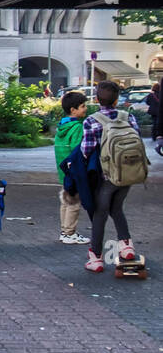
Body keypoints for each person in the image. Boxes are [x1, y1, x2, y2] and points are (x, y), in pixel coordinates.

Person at [80, 80, 148, 272]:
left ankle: (96, 258)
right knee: (117, 208)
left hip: (106, 177)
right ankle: (126, 246)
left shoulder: (92, 120)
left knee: (100, 213)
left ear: (97, 99)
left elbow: (86, 151)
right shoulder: (129, 117)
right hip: (128, 173)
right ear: (117, 100)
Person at [53, 91, 90, 245]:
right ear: (73, 110)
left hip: (64, 171)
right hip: (74, 170)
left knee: (66, 200)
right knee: (74, 202)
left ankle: (64, 231)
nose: (85, 109)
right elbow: (77, 150)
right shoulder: (77, 128)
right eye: (83, 106)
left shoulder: (62, 127)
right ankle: (69, 233)